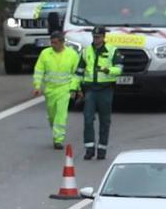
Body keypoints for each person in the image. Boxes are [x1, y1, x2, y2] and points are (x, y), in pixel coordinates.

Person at [31, 22, 82, 150]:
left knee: (61, 115)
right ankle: (55, 132)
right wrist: (37, 86)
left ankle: (58, 139)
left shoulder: (72, 55)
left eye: (55, 42)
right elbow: (39, 70)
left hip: (65, 89)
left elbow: (77, 73)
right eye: (51, 42)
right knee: (52, 116)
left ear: (62, 42)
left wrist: (76, 88)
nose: (52, 45)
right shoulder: (45, 54)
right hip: (50, 89)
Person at [78, 24, 119, 159]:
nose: (96, 39)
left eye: (98, 37)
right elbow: (79, 72)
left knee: (105, 121)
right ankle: (89, 149)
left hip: (105, 90)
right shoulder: (86, 51)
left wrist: (109, 70)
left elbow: (119, 69)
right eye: (94, 37)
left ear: (103, 37)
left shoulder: (112, 51)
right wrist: (75, 88)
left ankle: (102, 149)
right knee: (88, 119)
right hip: (90, 90)